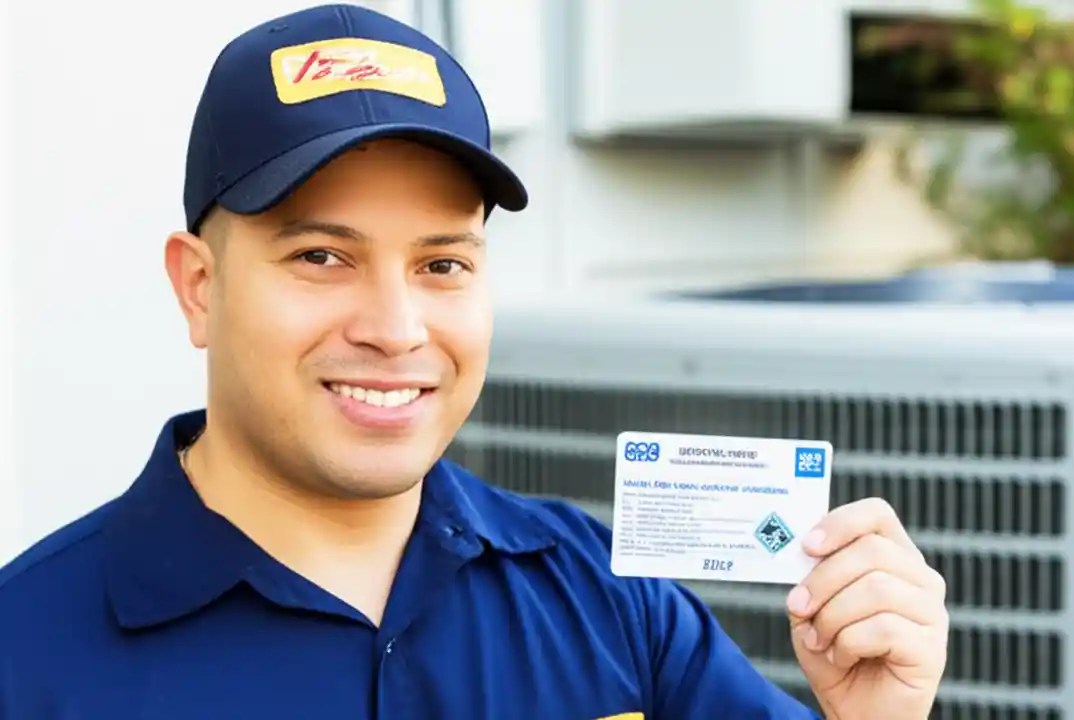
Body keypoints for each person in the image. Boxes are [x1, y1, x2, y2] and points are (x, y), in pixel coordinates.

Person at [0, 4, 948, 718]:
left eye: (441, 263)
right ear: (199, 287)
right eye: (321, 257)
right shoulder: (27, 653)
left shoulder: (613, 605)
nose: (396, 326)